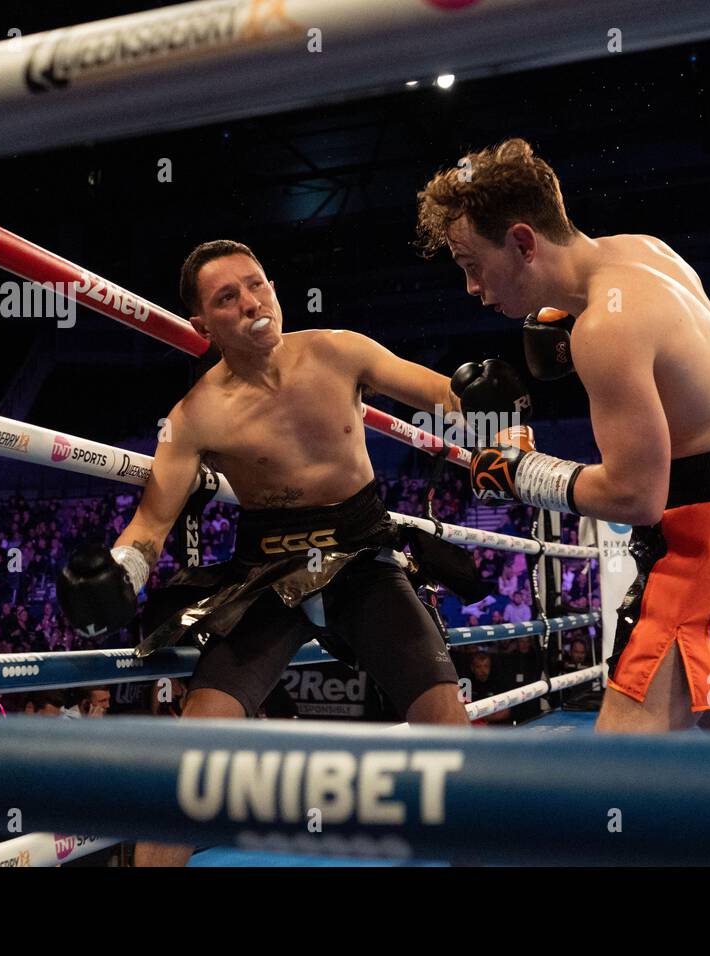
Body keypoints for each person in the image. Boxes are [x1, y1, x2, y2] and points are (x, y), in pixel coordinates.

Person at [57, 240, 469, 866]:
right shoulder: (195, 415)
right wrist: (120, 574)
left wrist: (500, 387)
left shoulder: (338, 349)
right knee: (193, 758)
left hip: (363, 555)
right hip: (268, 572)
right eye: (228, 296)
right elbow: (152, 521)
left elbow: (449, 396)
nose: (252, 302)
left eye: (257, 284)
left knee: (448, 729)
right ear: (202, 324)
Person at [417, 138, 710, 735]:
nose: (471, 288)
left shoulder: (605, 327)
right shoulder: (643, 251)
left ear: (523, 242)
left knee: (625, 741)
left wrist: (522, 470)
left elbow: (634, 499)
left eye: (472, 266)